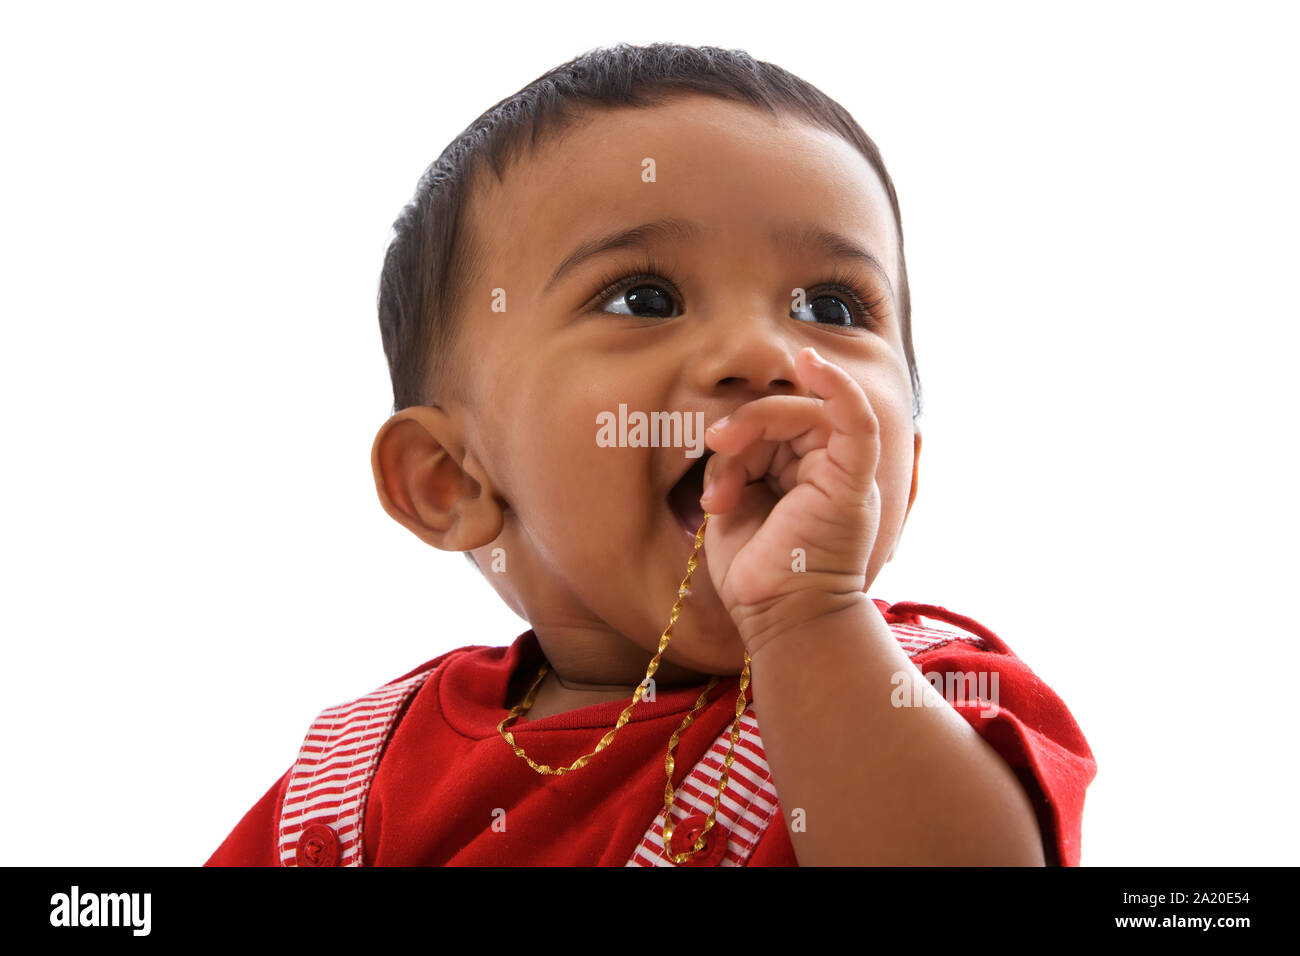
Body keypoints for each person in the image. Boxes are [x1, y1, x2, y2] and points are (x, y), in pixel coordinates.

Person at [206, 42, 1097, 867]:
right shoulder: (357, 780)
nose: (760, 353)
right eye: (645, 298)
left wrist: (807, 617)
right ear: (452, 481)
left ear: (900, 473)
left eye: (830, 308)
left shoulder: (932, 694)